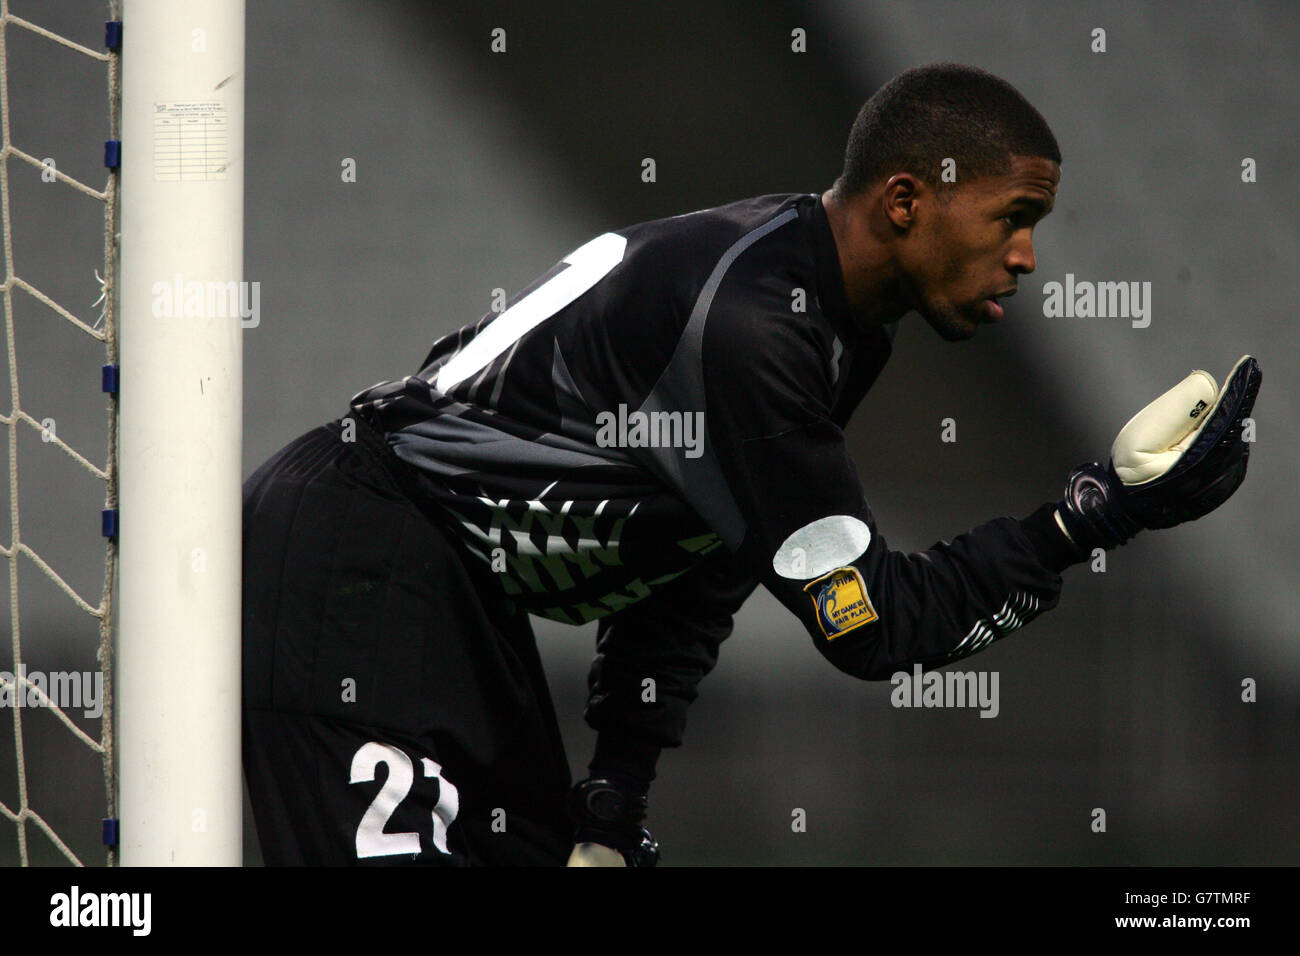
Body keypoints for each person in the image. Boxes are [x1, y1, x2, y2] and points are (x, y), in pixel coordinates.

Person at [240, 63, 1260, 866]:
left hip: (449, 597)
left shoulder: (828, 323)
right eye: (1013, 218)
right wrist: (1092, 515)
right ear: (906, 200)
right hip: (357, 569)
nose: (1027, 256)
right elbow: (873, 625)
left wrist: (612, 802)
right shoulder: (756, 329)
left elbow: (692, 579)